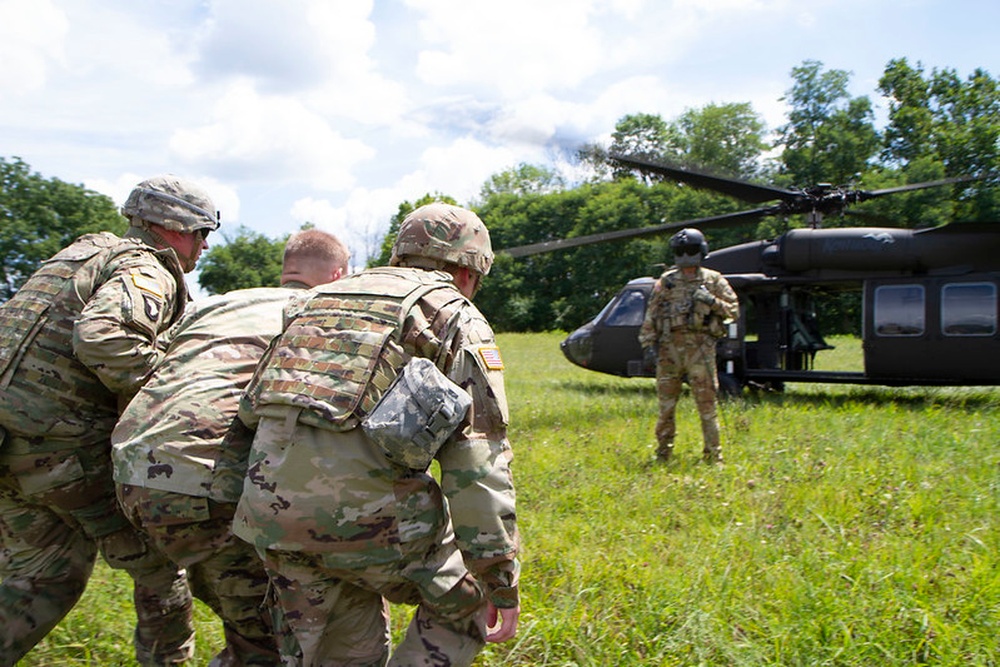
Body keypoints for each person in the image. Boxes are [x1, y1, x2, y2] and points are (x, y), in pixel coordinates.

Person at [231, 203, 520, 666]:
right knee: (466, 607)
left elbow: (250, 411)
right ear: (469, 273)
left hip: (269, 514)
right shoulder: (453, 314)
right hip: (369, 523)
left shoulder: (315, 301)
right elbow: (477, 462)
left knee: (342, 652)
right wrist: (497, 578)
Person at [0, 175, 219, 665]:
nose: (204, 245)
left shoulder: (80, 253)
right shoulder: (148, 269)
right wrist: (178, 389)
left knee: (42, 577)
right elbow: (104, 337)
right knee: (160, 561)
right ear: (177, 226)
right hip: (62, 451)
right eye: (202, 232)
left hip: (12, 445)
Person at [111, 229, 349, 665]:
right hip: (203, 486)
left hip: (132, 471)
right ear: (338, 275)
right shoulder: (318, 311)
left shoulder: (219, 304)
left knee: (245, 614)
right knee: (275, 643)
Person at [638, 228, 739, 464]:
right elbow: (651, 315)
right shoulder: (667, 281)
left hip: (700, 351)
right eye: (680, 251)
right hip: (669, 351)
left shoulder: (713, 280)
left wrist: (711, 301)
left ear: (701, 252)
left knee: (707, 407)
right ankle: (663, 454)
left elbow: (734, 310)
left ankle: (713, 456)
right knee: (666, 407)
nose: (685, 257)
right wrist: (648, 346)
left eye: (690, 251)